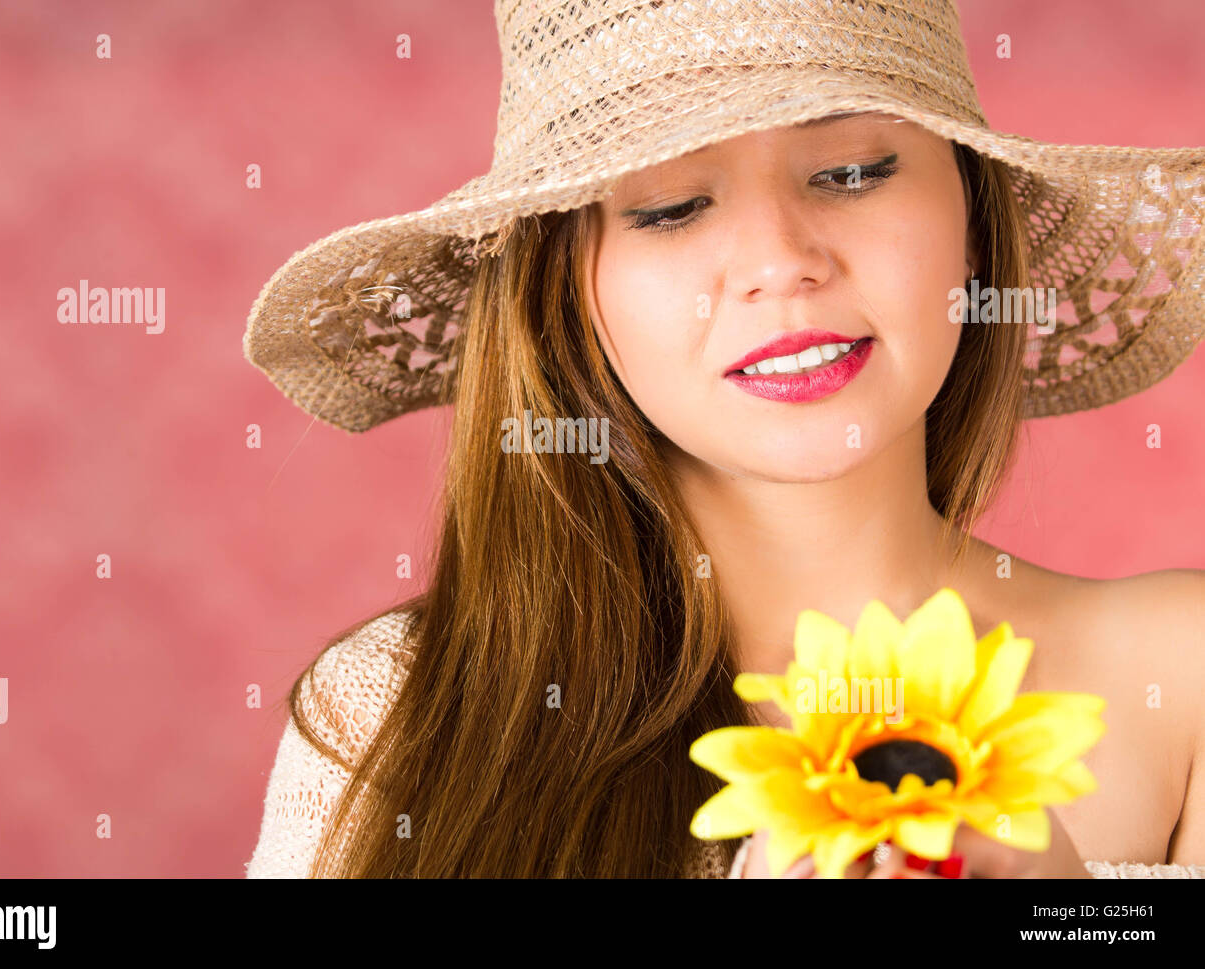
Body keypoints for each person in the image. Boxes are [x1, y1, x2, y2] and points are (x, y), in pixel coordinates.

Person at [242, 0, 1205, 878]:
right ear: (568, 292)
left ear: (975, 223)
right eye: (671, 208)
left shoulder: (1182, 675)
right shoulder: (390, 712)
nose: (782, 262)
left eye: (853, 172)